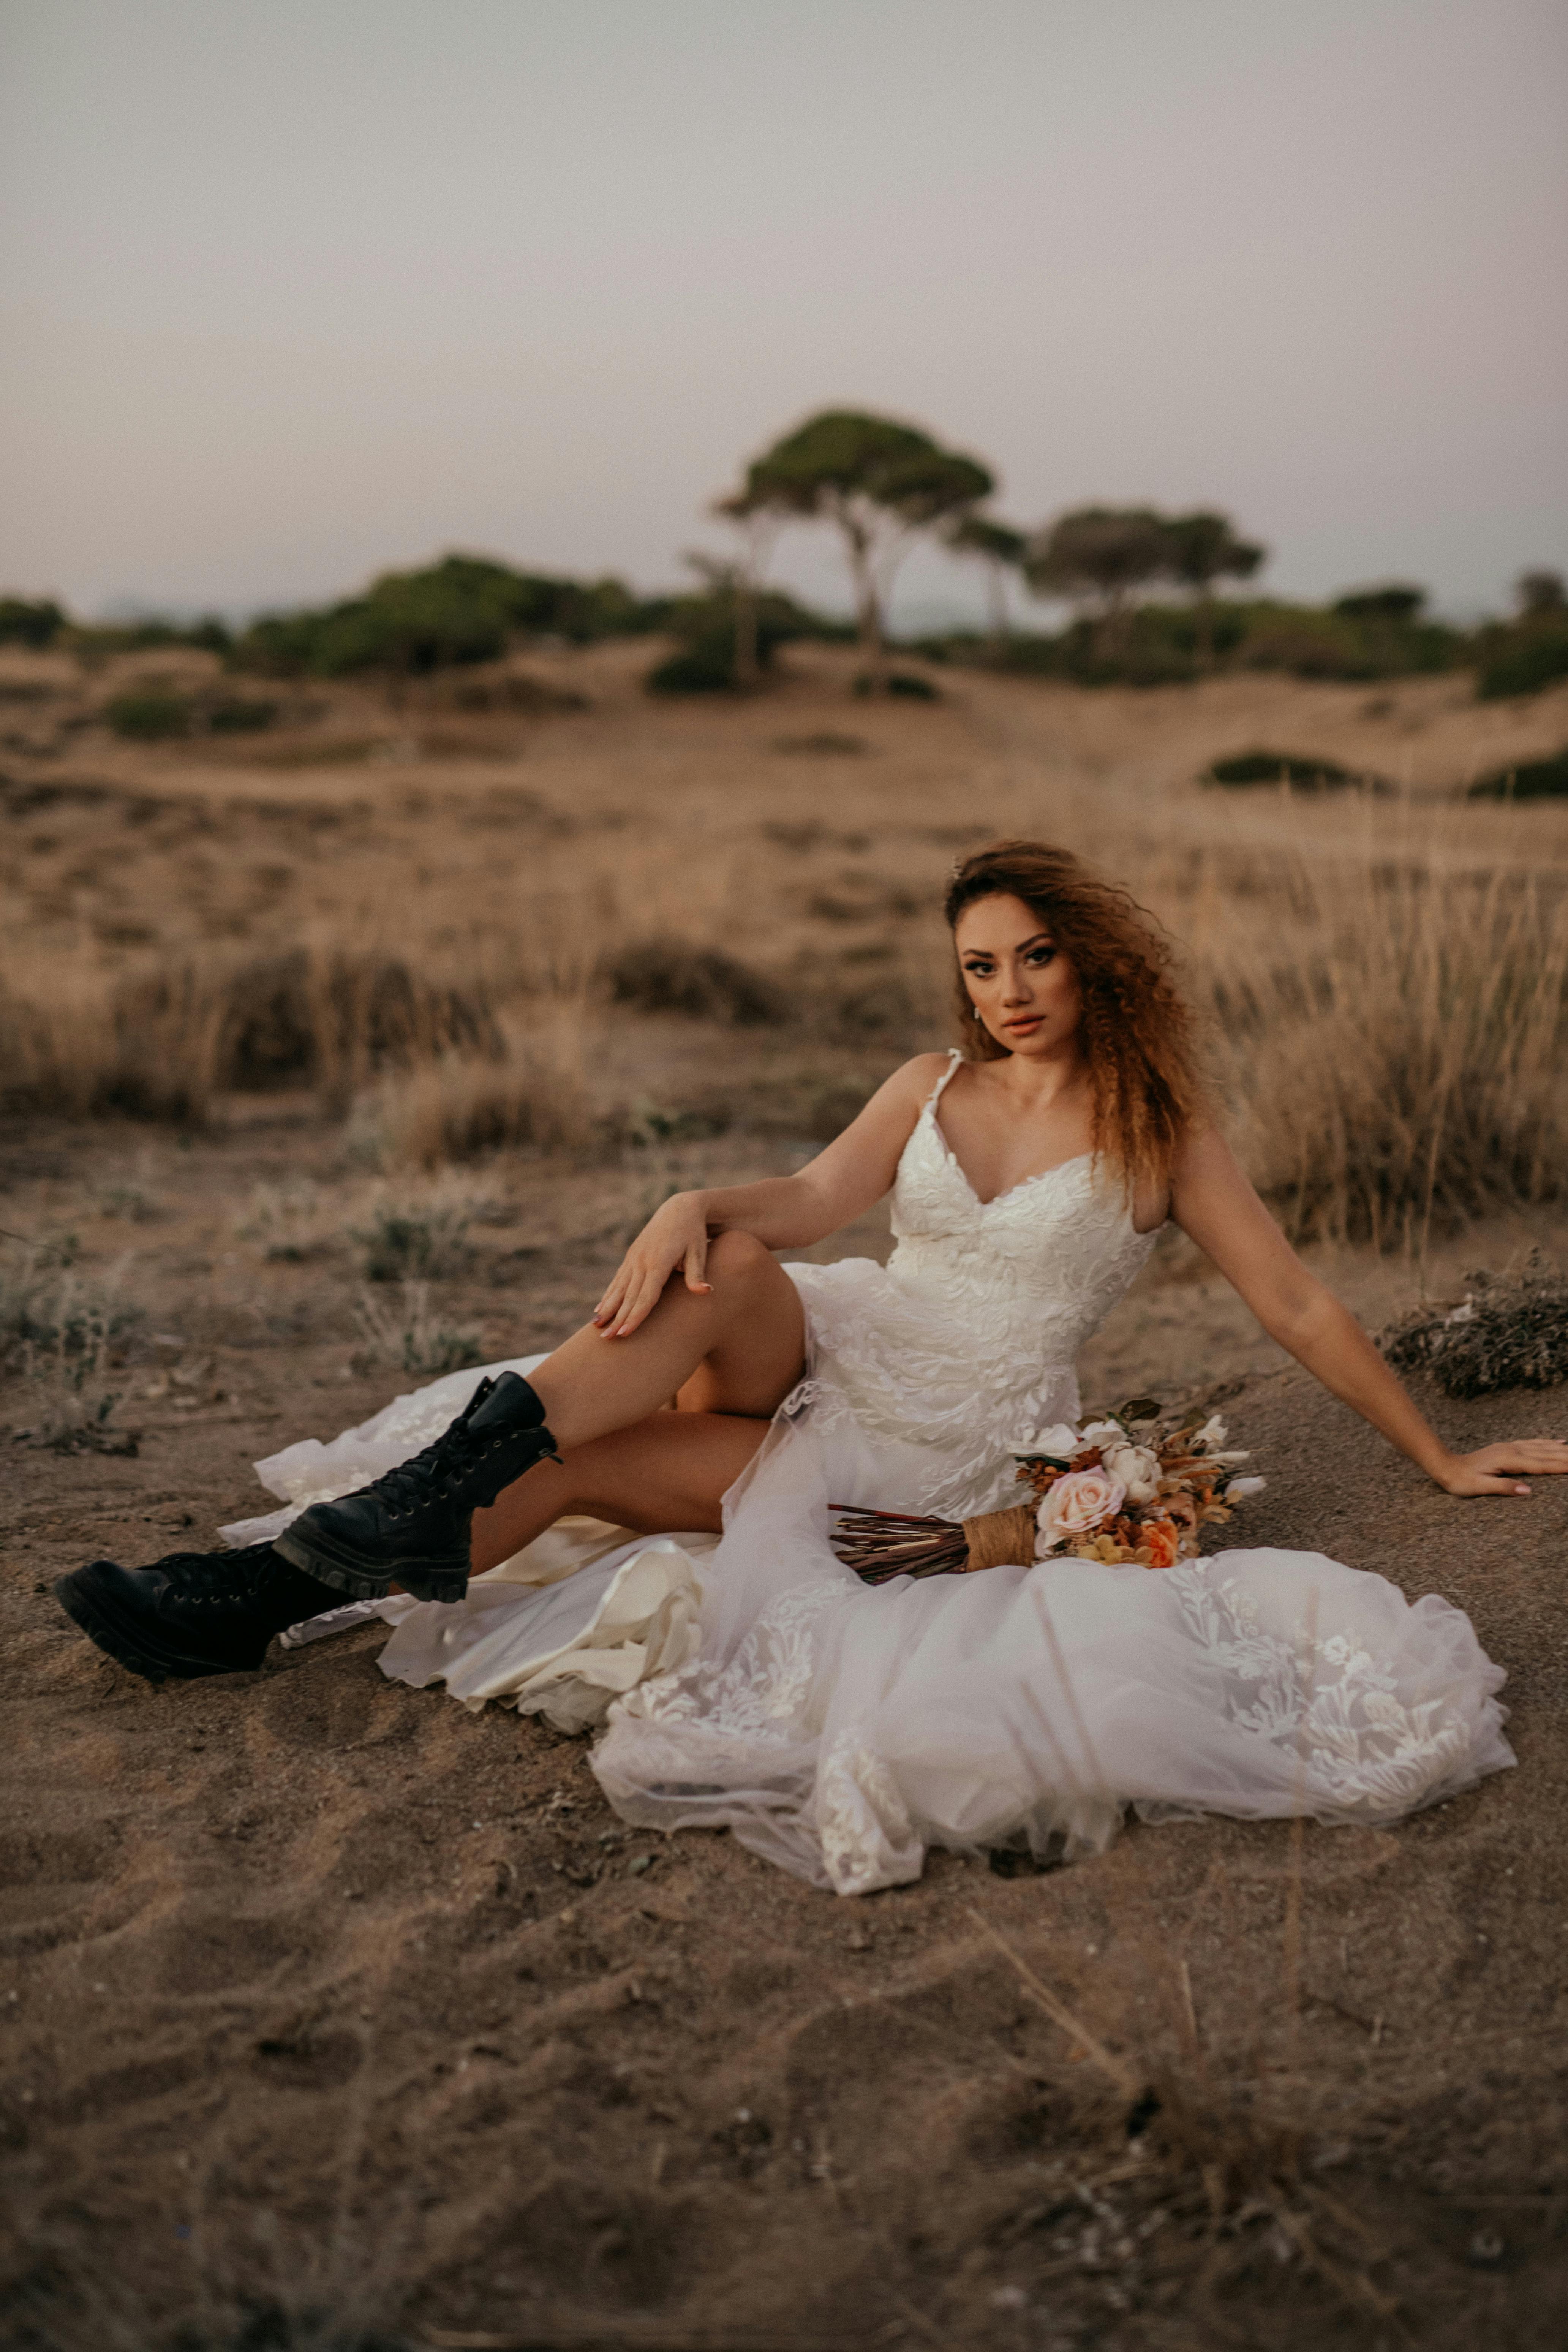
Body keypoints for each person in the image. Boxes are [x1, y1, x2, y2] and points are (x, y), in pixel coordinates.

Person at [55, 841, 1566, 1895]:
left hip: (944, 1442)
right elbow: (803, 1206)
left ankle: (267, 1595)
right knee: (735, 1258)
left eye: (1036, 955)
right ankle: (288, 1582)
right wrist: (684, 1200)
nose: (1010, 988)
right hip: (836, 1344)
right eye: (982, 965)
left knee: (572, 1461)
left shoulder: (1161, 1134)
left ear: (1090, 961)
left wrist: (1434, 1453)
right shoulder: (930, 1086)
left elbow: (1297, 1306)